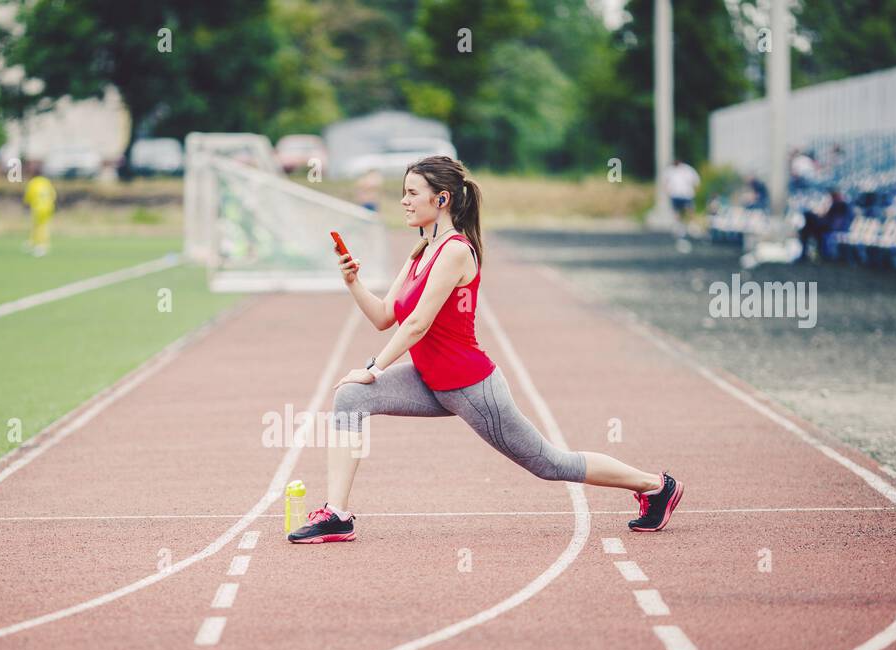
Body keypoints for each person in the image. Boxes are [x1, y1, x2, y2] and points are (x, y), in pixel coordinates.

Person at [287, 156, 684, 544]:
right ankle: (336, 515)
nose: (404, 201)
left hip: (470, 386)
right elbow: (384, 316)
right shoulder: (420, 251)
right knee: (350, 397)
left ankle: (656, 486)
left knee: (549, 463)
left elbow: (418, 323)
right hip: (430, 380)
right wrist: (352, 282)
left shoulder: (456, 250)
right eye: (403, 193)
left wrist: (373, 367)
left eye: (412, 193)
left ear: (441, 199)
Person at [797, 190, 851, 263]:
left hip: (831, 227)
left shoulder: (841, 205)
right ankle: (807, 254)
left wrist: (823, 220)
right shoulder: (835, 205)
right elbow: (828, 217)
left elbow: (837, 221)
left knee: (808, 221)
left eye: (834, 196)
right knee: (807, 227)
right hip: (825, 227)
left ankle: (808, 255)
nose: (832, 198)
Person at [662, 158, 700, 244]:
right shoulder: (670, 170)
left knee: (689, 210)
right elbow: (665, 181)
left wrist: (695, 191)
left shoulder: (688, 170)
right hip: (675, 194)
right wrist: (668, 191)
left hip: (687, 194)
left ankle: (692, 226)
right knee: (677, 212)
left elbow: (696, 181)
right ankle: (679, 227)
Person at [23, 173, 56, 256]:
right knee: (44, 226)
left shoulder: (33, 182)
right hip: (49, 206)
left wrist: (27, 203)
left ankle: (40, 245)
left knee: (38, 226)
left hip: (38, 207)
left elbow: (28, 196)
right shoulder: (46, 182)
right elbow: (53, 195)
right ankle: (35, 242)